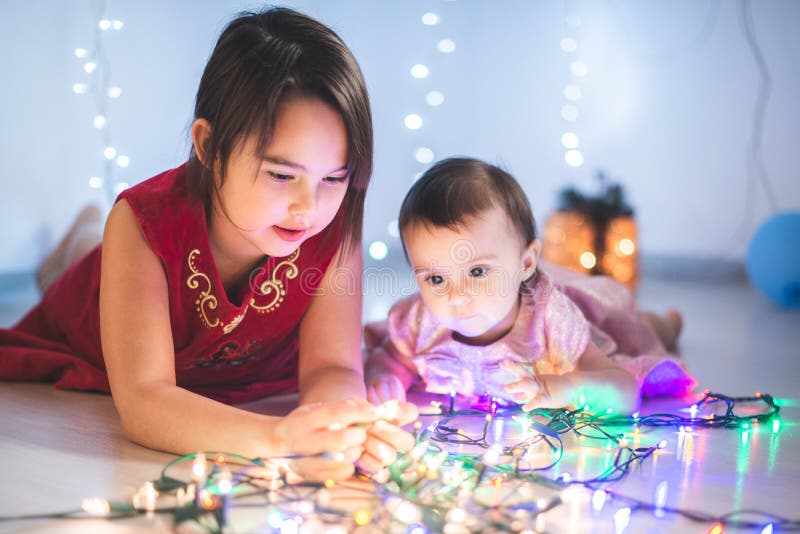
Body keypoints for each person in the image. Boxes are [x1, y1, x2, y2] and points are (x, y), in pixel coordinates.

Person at [0, 7, 416, 480]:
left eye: (333, 178)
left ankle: (82, 238)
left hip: (242, 364)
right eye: (281, 175)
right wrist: (279, 439)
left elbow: (332, 367)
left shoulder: (331, 224)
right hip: (94, 313)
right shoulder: (141, 223)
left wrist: (343, 426)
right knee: (83, 267)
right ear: (207, 146)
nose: (308, 207)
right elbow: (143, 401)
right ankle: (78, 245)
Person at [365, 157, 695, 414]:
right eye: (436, 278)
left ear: (525, 263)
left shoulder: (551, 320)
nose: (457, 295)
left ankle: (667, 324)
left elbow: (624, 390)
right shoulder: (420, 321)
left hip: (587, 316)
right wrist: (385, 378)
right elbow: (393, 357)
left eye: (478, 272)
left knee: (632, 329)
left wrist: (566, 388)